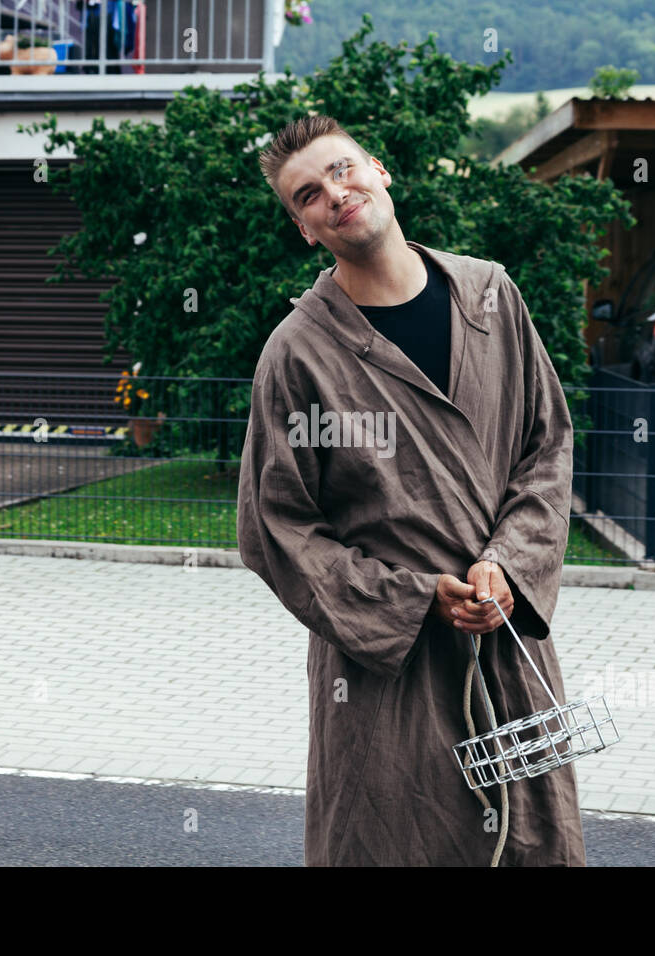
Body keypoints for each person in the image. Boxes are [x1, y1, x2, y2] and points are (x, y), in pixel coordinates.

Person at [238, 116, 584, 866]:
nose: (336, 194)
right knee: (393, 838)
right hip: (385, 672)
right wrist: (417, 596)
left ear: (379, 171)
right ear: (303, 227)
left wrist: (508, 565)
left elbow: (546, 446)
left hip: (504, 639)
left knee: (529, 845)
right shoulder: (299, 353)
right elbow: (278, 530)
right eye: (309, 194)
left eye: (343, 171)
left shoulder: (489, 296)